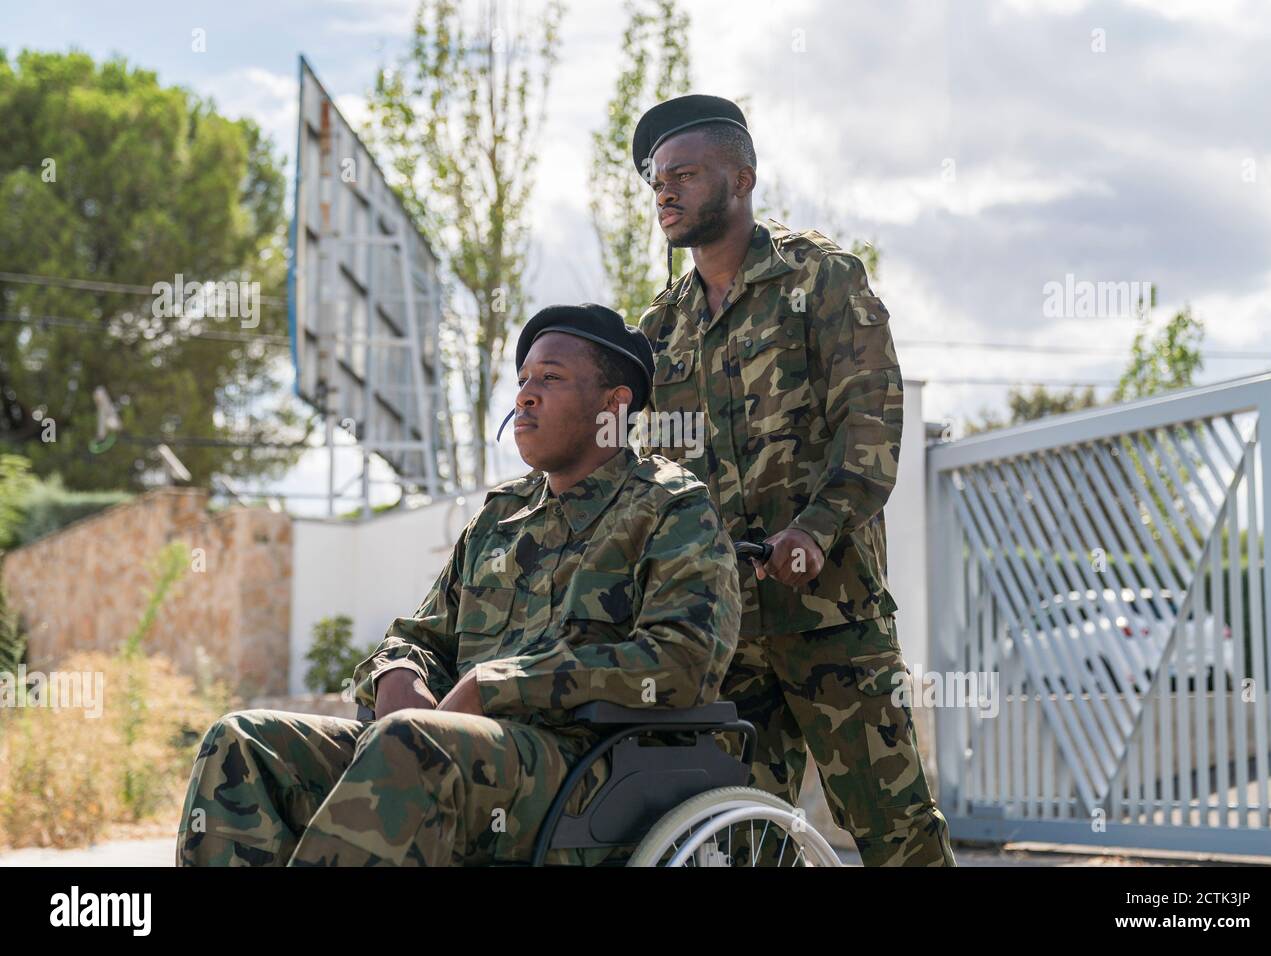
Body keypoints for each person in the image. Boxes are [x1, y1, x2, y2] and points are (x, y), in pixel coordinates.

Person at [176, 303, 741, 866]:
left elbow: (683, 661)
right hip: (448, 751)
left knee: (414, 744)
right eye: (522, 381)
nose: (524, 395)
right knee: (244, 741)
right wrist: (398, 674)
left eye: (551, 378)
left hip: (587, 771)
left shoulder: (668, 506)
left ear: (614, 404)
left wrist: (497, 685)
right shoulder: (500, 519)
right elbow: (417, 636)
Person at [632, 94, 955, 866]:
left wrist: (814, 528)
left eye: (683, 173)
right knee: (737, 837)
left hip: (830, 613)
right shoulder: (659, 330)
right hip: (724, 632)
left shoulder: (821, 279)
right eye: (655, 182)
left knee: (896, 833)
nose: (665, 193)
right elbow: (651, 480)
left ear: (740, 178)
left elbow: (870, 425)